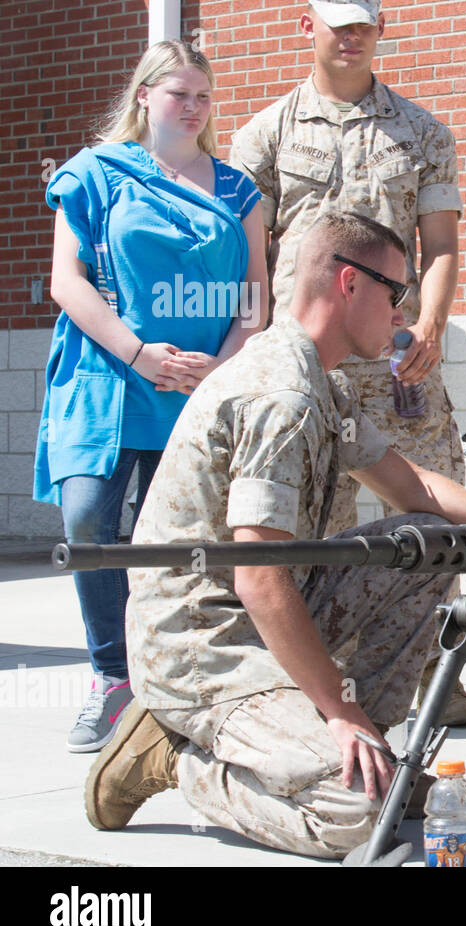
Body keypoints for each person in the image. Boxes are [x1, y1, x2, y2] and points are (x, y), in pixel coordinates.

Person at [82, 213, 466, 859]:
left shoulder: (317, 381)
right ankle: (170, 757)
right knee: (357, 817)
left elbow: (412, 488)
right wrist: (337, 709)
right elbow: (257, 573)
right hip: (205, 645)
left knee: (430, 540)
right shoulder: (283, 395)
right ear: (350, 283)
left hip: (267, 619)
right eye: (397, 293)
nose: (403, 316)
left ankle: (362, 753)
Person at [229, 0, 466, 723]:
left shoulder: (424, 132)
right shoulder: (265, 134)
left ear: (381, 29)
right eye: (336, 22)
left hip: (394, 359)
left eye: (363, 22)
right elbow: (246, 249)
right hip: (307, 364)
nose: (351, 35)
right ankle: (313, 676)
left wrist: (431, 322)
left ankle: (439, 666)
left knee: (437, 507)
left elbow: (443, 243)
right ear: (305, 27)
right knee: (314, 519)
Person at [37, 40, 268, 754]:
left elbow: (256, 294)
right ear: (145, 96)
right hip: (106, 378)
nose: (193, 106)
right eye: (178, 93)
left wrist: (221, 367)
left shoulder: (238, 191)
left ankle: (173, 682)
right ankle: (112, 677)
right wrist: (137, 352)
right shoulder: (95, 175)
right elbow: (65, 280)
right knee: (87, 522)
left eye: (203, 95)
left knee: (181, 542)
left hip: (197, 389)